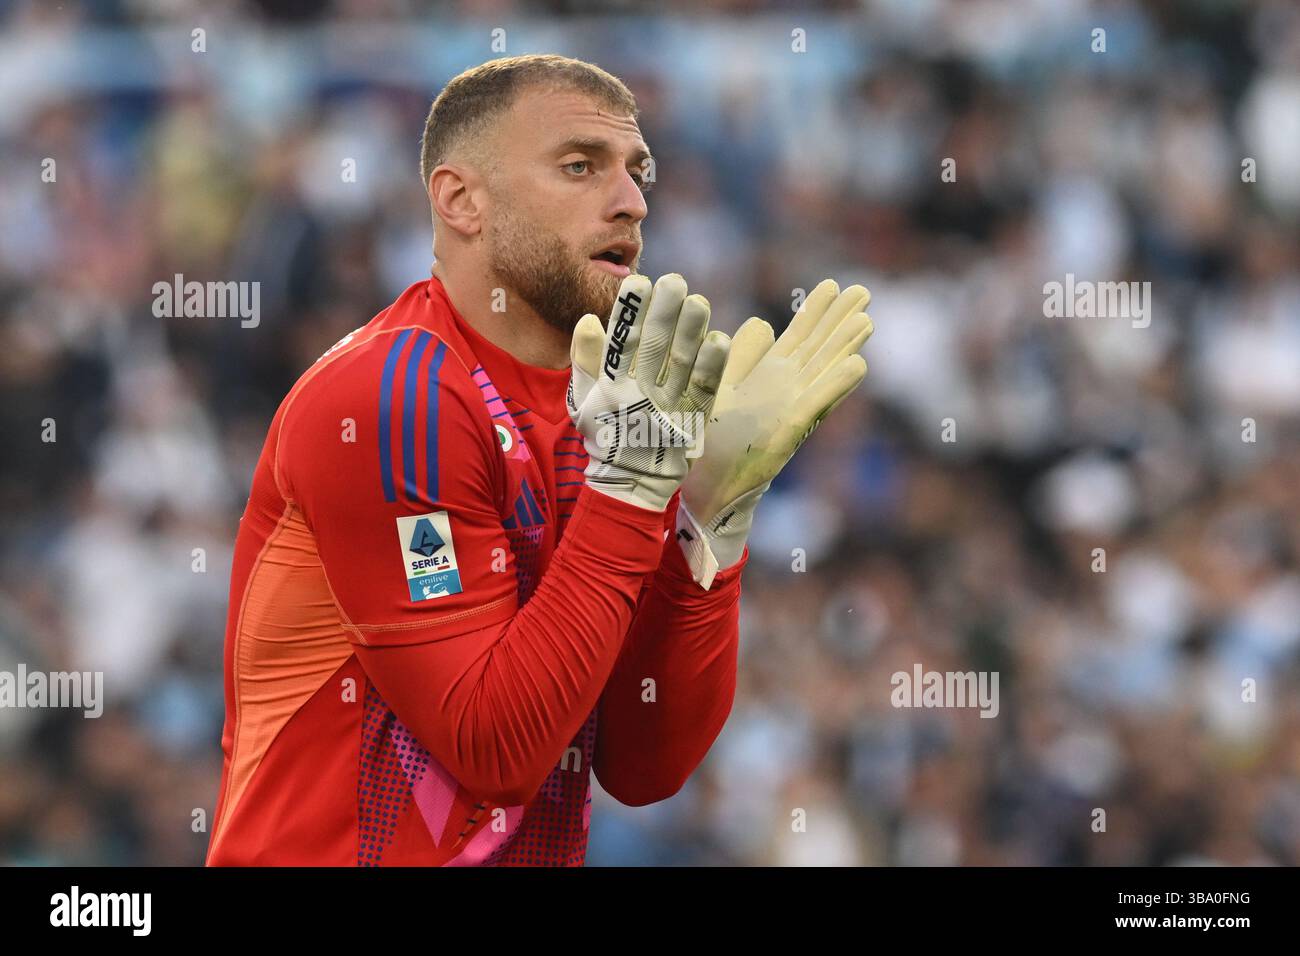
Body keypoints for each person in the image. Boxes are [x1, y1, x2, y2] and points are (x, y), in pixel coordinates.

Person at [206, 53, 872, 866]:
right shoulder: (389, 396)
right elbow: (493, 750)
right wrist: (632, 488)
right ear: (461, 200)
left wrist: (708, 517)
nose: (631, 202)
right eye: (580, 166)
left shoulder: (609, 409)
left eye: (637, 173)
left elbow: (645, 763)